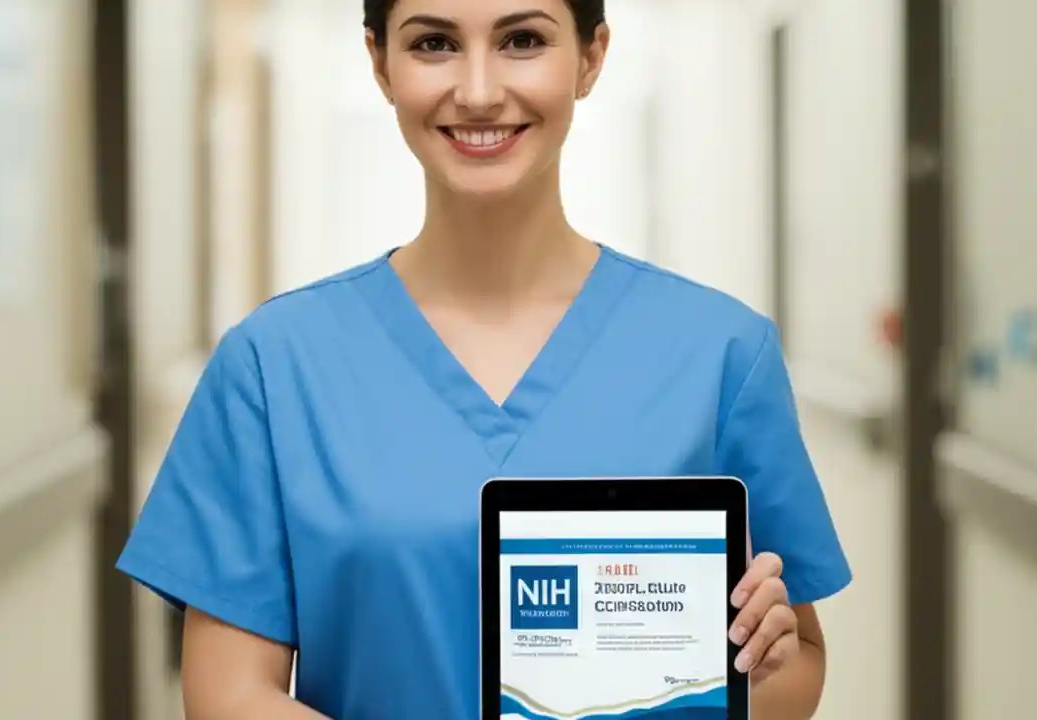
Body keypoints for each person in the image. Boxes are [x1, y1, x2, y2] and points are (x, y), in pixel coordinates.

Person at [116, 1, 851, 718]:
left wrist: (754, 671)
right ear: (380, 63)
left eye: (522, 40)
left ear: (591, 57)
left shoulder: (719, 354)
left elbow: (797, 666)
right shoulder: (273, 367)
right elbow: (226, 694)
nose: (477, 91)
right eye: (433, 43)